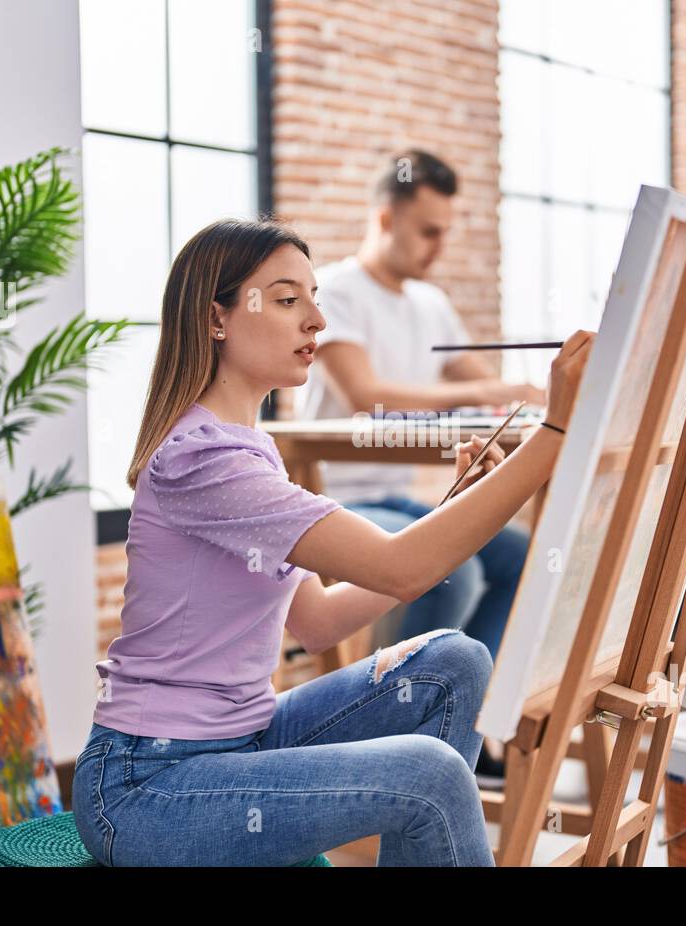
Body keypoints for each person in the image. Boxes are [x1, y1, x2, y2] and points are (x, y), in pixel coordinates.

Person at [71, 216, 593, 866]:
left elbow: (316, 622)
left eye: (314, 297)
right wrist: (557, 432)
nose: (317, 319)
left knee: (455, 664)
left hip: (244, 740)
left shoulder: (251, 450)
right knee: (428, 774)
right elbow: (400, 570)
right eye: (288, 299)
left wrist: (452, 506)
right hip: (146, 786)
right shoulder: (201, 461)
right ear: (216, 318)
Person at [294, 152, 543, 778]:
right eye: (429, 230)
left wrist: (535, 395)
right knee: (448, 573)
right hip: (335, 499)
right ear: (386, 217)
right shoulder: (337, 292)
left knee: (521, 560)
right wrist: (481, 394)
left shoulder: (431, 305)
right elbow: (368, 396)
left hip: (400, 500)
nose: (440, 245)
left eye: (446, 230)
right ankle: (402, 742)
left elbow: (487, 386)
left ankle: (462, 725)